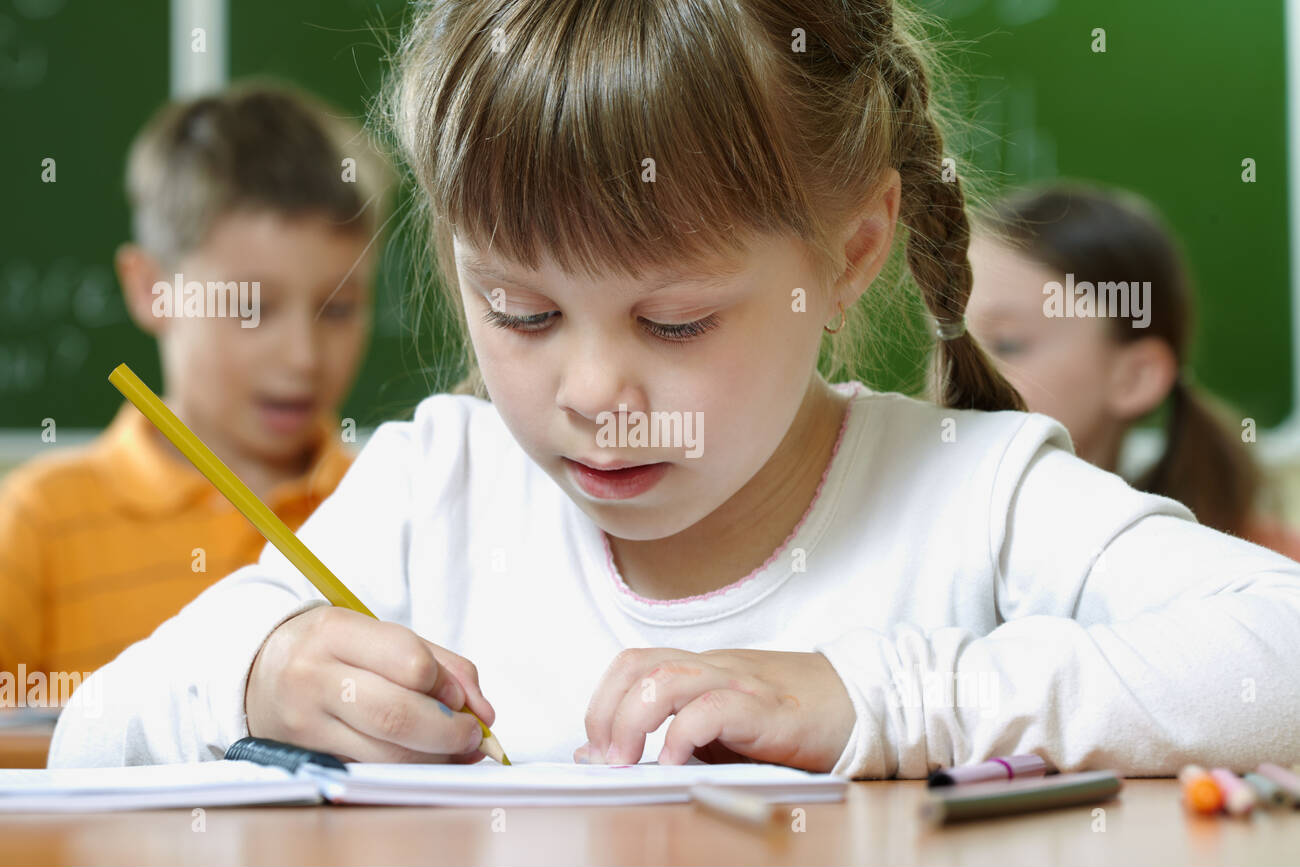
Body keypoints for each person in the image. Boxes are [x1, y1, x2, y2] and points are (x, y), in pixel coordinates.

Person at [48, 1, 1300, 777]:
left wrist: (884, 699)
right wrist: (258, 667)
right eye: (520, 311)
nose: (593, 389)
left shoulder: (971, 495)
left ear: (849, 252)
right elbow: (89, 734)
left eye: (676, 318)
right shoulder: (437, 487)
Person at [0, 81, 390, 689]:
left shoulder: (385, 512)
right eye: (252, 307)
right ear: (149, 288)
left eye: (337, 310)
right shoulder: (34, 526)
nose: (304, 357)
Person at [966, 181, 1300, 561]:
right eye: (950, 341)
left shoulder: (1258, 564)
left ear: (1135, 377)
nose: (955, 370)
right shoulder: (937, 540)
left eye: (1007, 344)